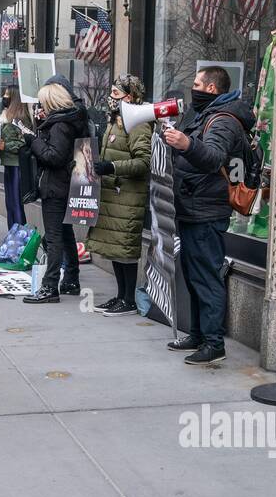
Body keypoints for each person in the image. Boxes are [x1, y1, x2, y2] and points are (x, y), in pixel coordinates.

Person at [161, 65, 256, 365]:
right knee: (193, 275)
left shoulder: (224, 121)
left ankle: (214, 343)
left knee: (206, 277)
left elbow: (213, 157)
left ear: (211, 89)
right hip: (192, 206)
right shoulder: (205, 114)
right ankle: (200, 334)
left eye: (197, 83)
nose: (193, 86)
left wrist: (185, 143)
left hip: (206, 210)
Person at [88, 75, 154, 316]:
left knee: (125, 249)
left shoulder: (138, 123)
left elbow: (143, 162)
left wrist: (111, 168)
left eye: (117, 93)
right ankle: (120, 295)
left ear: (131, 96)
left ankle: (128, 299)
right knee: (116, 249)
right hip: (112, 194)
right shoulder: (115, 121)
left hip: (126, 195)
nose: (111, 97)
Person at [22, 77, 90, 304]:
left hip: (55, 185)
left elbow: (54, 156)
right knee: (65, 233)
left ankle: (50, 286)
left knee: (54, 237)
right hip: (63, 183)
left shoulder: (61, 124)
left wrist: (33, 140)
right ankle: (71, 278)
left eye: (42, 103)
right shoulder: (66, 119)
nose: (40, 107)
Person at [0, 89, 32, 228]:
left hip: (17, 165)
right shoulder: (6, 117)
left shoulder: (21, 118)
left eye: (7, 95)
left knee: (16, 203)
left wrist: (5, 145)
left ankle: (19, 235)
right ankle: (12, 234)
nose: (4, 97)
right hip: (8, 163)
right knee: (10, 203)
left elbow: (24, 141)